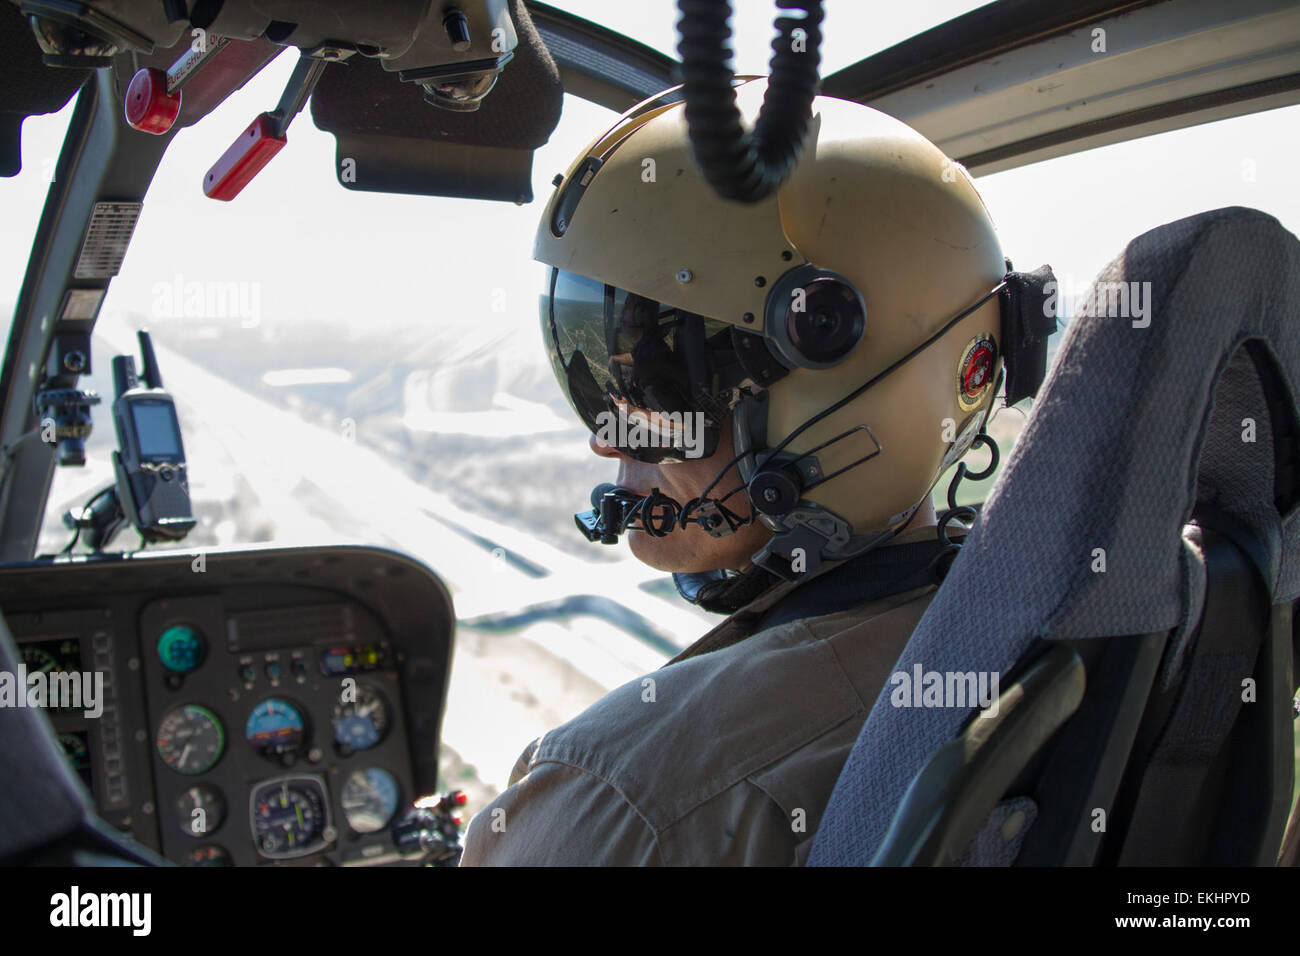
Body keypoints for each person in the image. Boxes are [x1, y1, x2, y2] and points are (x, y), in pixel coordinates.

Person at [460, 79, 1053, 865]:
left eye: (654, 396)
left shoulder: (624, 803)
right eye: (600, 386)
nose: (609, 441)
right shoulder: (1027, 635)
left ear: (836, 395)